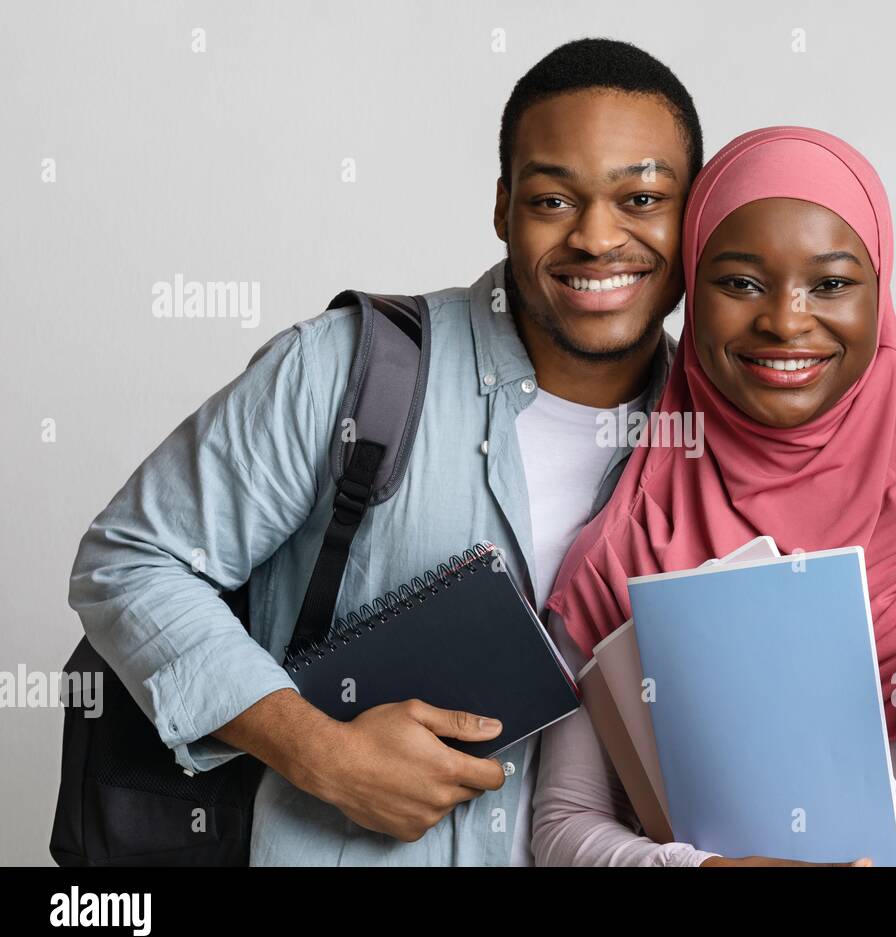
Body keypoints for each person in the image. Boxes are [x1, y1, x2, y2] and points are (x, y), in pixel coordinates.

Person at [66, 38, 701, 866]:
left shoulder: (723, 436)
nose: (596, 237)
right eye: (553, 199)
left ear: (697, 216)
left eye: (643, 197)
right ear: (503, 206)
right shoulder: (352, 368)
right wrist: (317, 751)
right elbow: (131, 559)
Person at [533, 127, 896, 866]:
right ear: (690, 288)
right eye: (740, 282)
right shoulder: (620, 549)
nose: (785, 319)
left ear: (881, 295)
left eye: (833, 283)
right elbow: (562, 828)